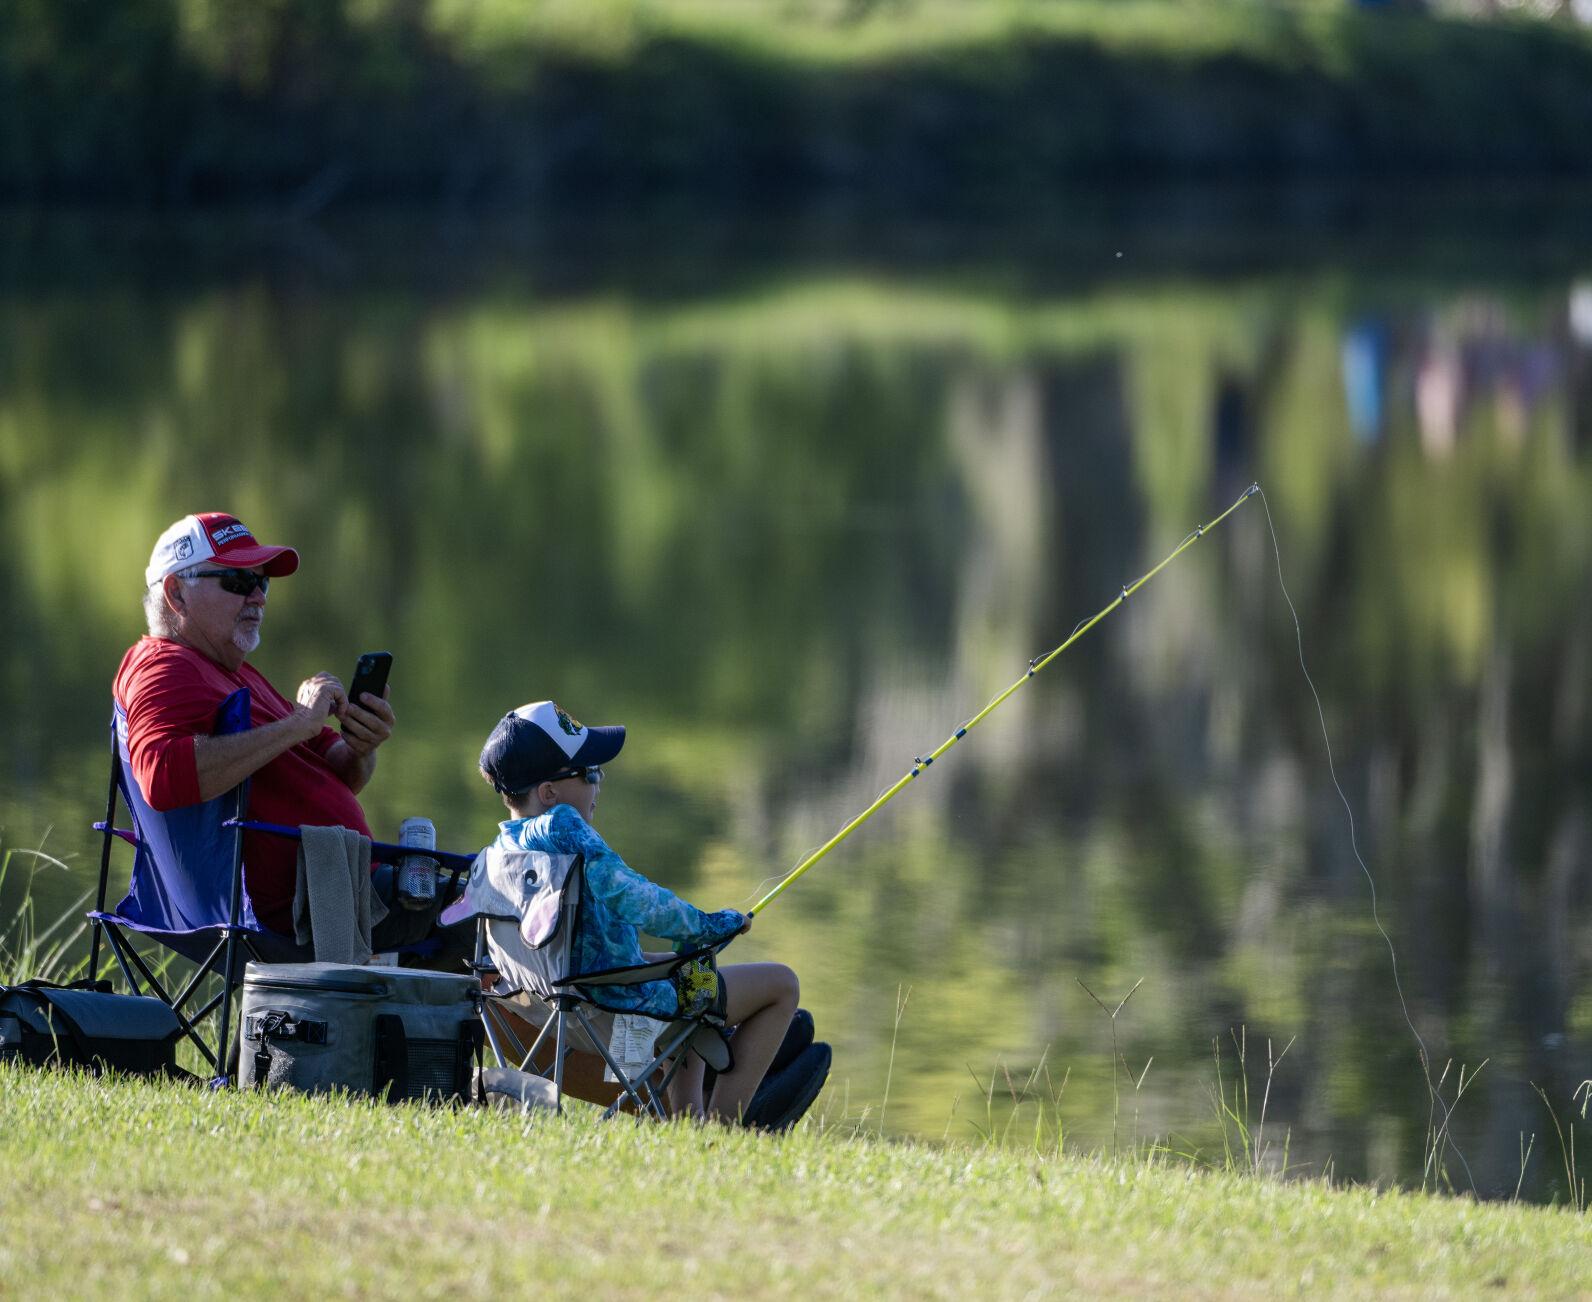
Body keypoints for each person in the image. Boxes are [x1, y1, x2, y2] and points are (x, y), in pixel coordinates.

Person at [475, 700, 810, 1125]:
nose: (598, 785)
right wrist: (710, 925)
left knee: (690, 970)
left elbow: (569, 953)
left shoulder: (498, 854)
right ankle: (725, 1133)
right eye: (590, 773)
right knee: (782, 984)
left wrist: (688, 951)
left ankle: (687, 1123)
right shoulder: (564, 828)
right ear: (549, 793)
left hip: (552, 1007)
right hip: (610, 1012)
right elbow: (638, 900)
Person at [116, 512, 407, 941]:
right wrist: (298, 723)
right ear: (176, 593)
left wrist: (363, 743)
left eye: (262, 582)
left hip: (338, 885)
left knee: (480, 895)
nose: (258, 598)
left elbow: (342, 771)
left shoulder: (234, 671)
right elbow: (159, 776)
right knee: (486, 907)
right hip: (294, 910)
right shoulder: (163, 668)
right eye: (238, 582)